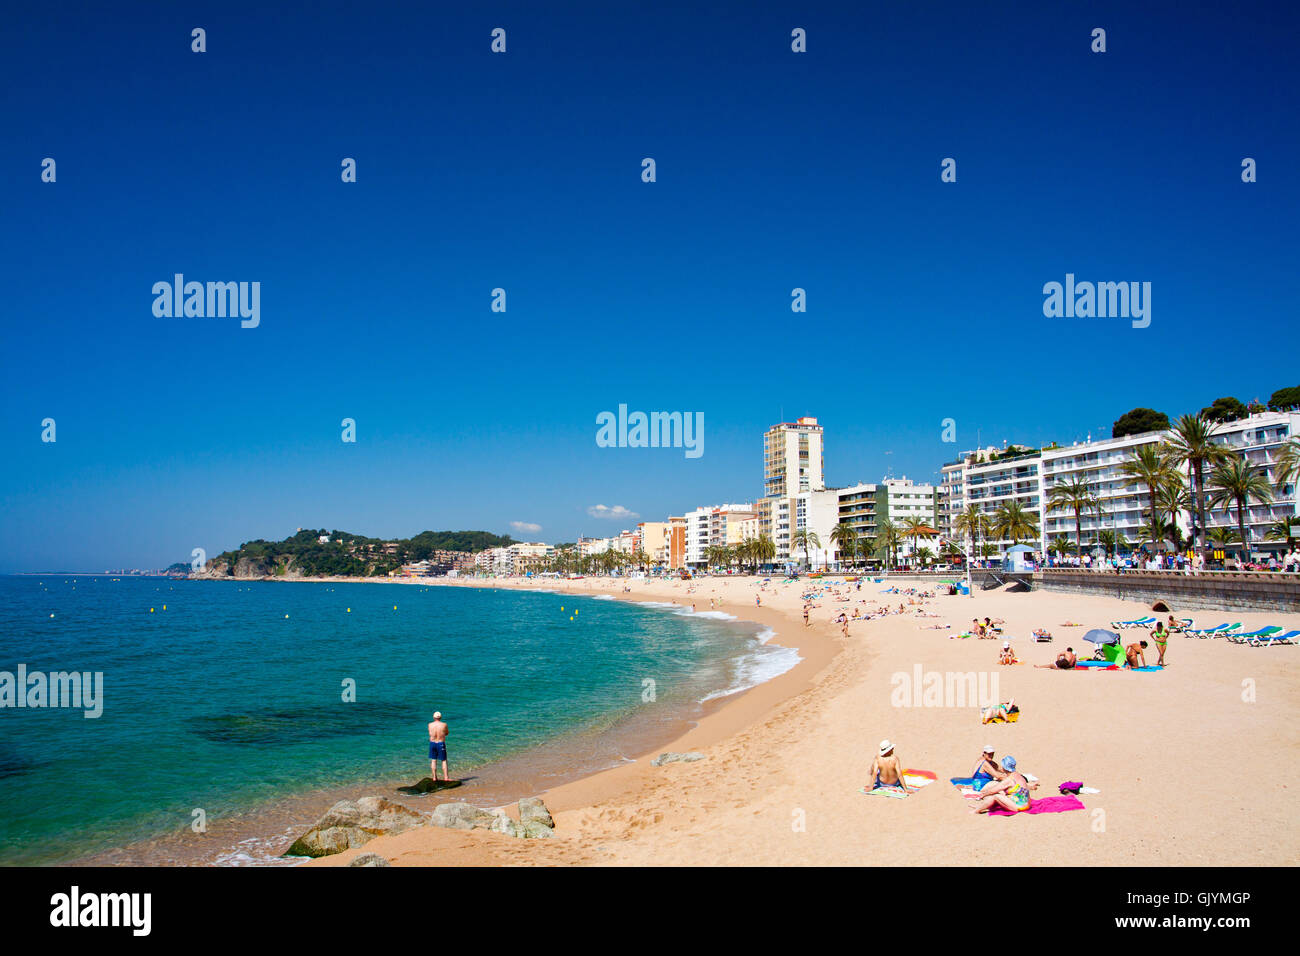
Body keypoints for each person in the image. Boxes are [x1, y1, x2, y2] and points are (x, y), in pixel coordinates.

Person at [970, 756, 1038, 814]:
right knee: (1001, 795)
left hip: (1020, 806)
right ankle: (980, 807)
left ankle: (977, 810)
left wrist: (982, 795)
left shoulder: (1009, 780)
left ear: (1004, 767)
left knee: (995, 796)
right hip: (1027, 804)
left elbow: (992, 790)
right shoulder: (1018, 775)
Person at [428, 711, 450, 781]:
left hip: (432, 743)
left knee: (433, 760)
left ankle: (434, 777)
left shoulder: (430, 725)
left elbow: (430, 733)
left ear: (433, 717)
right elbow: (447, 733)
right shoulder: (444, 724)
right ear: (440, 717)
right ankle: (446, 777)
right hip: (440, 743)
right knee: (443, 760)